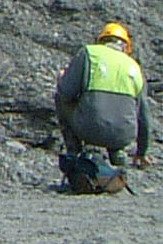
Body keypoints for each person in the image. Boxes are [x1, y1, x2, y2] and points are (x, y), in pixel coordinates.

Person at [55, 21, 151, 179]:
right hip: (123, 136)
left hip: (88, 130)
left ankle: (74, 151)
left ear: (101, 41)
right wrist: (141, 152)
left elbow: (66, 93)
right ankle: (117, 152)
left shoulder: (89, 53)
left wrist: (62, 79)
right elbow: (144, 117)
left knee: (61, 97)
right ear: (126, 46)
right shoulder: (135, 67)